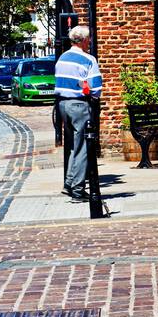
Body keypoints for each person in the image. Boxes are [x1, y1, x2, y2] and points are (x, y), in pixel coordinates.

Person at [54, 25, 102, 202]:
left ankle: (69, 184)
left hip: (63, 105)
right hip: (79, 105)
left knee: (73, 146)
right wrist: (87, 89)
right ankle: (78, 190)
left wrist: (83, 86)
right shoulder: (88, 59)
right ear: (82, 40)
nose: (90, 41)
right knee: (82, 147)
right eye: (88, 39)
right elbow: (95, 88)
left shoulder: (62, 58)